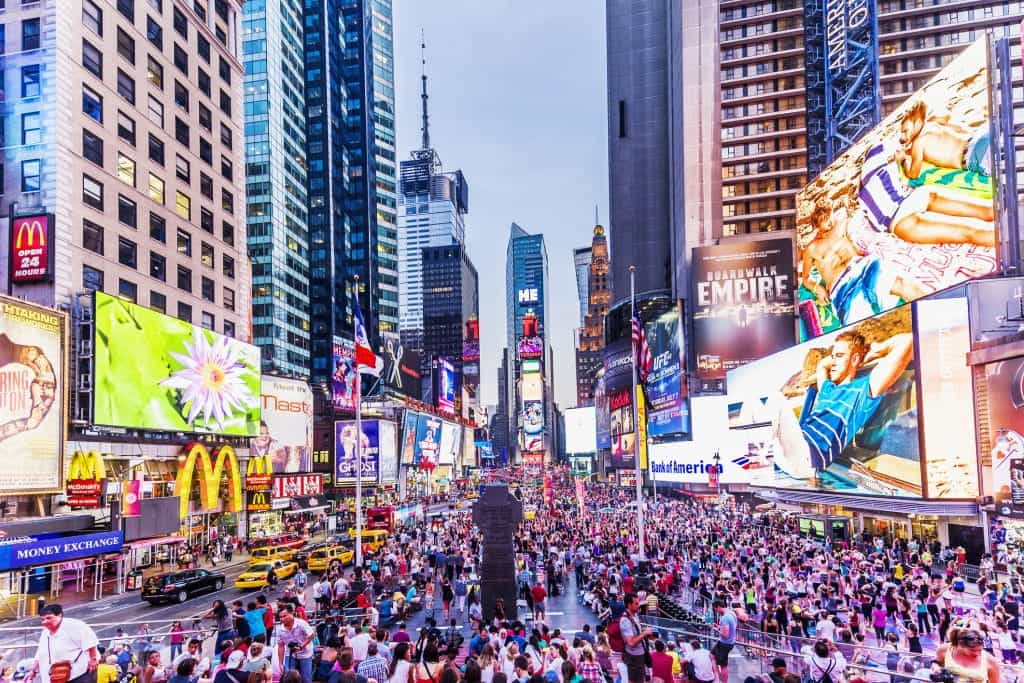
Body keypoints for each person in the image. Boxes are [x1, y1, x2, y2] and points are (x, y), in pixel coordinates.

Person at [771, 327, 914, 480]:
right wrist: (842, 356)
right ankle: (753, 461)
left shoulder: (862, 390)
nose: (833, 362)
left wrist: (875, 352)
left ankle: (754, 461)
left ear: (854, 359)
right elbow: (822, 365)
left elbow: (909, 341)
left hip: (808, 459)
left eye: (839, 356)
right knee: (752, 405)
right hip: (789, 453)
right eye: (833, 356)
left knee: (775, 399)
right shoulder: (827, 389)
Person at [28, 604, 100, 683]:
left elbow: (90, 642)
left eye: (49, 618)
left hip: (79, 673)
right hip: (56, 676)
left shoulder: (75, 626)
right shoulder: (45, 633)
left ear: (60, 615)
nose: (45, 622)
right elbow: (41, 653)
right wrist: (33, 670)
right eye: (42, 619)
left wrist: (93, 659)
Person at [933, 629, 1000, 683]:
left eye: (980, 650)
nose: (977, 654)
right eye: (973, 651)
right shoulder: (945, 649)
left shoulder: (991, 661)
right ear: (961, 646)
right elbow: (936, 663)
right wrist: (936, 668)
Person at [274, 605, 315, 683]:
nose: (282, 619)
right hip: (290, 655)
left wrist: (301, 646)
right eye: (280, 617)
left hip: (305, 654)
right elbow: (281, 646)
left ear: (291, 613)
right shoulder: (280, 630)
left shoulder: (301, 623)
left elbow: (312, 634)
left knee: (306, 679)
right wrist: (280, 663)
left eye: (284, 616)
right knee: (288, 678)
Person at [618, 593, 653, 683]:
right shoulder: (625, 621)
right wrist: (644, 633)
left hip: (639, 654)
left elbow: (636, 632)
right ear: (629, 605)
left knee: (639, 678)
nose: (639, 606)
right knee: (635, 680)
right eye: (636, 603)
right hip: (634, 656)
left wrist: (642, 631)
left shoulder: (634, 615)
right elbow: (631, 643)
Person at [712, 600, 737, 683]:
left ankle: (720, 679)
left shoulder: (725, 617)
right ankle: (718, 678)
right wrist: (719, 627)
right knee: (712, 656)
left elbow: (725, 635)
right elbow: (730, 627)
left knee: (723, 665)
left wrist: (716, 629)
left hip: (724, 643)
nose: (716, 611)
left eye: (716, 609)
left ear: (719, 606)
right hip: (730, 642)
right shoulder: (732, 613)